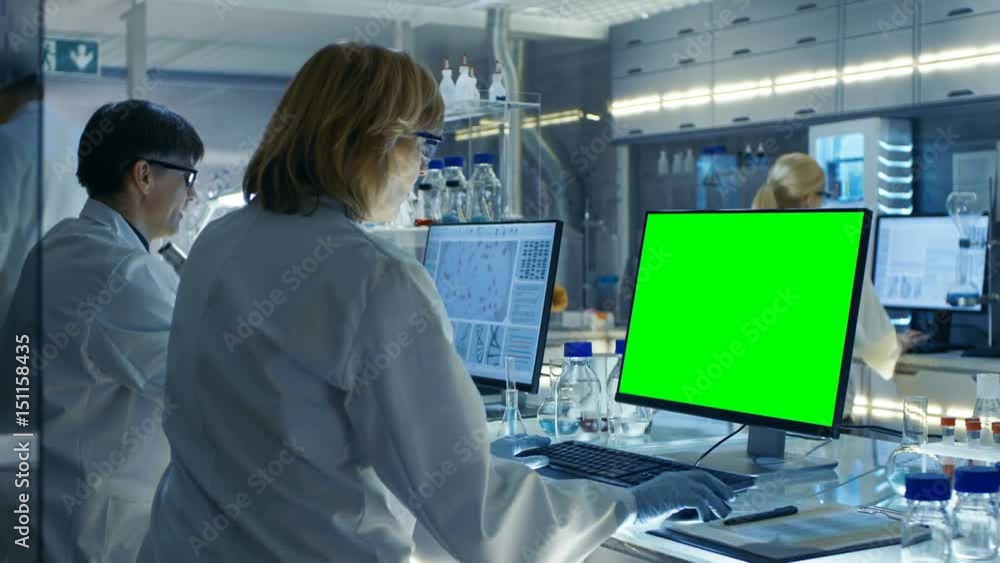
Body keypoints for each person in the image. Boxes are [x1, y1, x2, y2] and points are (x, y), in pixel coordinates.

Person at [137, 44, 733, 563]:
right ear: (371, 140)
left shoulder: (221, 241)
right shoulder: (373, 277)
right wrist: (627, 504)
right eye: (421, 143)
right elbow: (474, 513)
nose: (423, 165)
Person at [2, 99, 204, 563]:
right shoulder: (121, 272)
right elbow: (197, 385)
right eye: (187, 177)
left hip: (41, 510)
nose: (192, 196)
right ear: (144, 176)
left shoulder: (61, 244)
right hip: (91, 530)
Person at [751, 153, 927, 390]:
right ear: (808, 200)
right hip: (816, 401)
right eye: (823, 195)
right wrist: (902, 342)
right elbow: (879, 351)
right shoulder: (833, 256)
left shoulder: (751, 250)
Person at [0, 59, 88, 326]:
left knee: (21, 354)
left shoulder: (7, 140)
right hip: (65, 299)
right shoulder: (77, 139)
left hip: (14, 304)